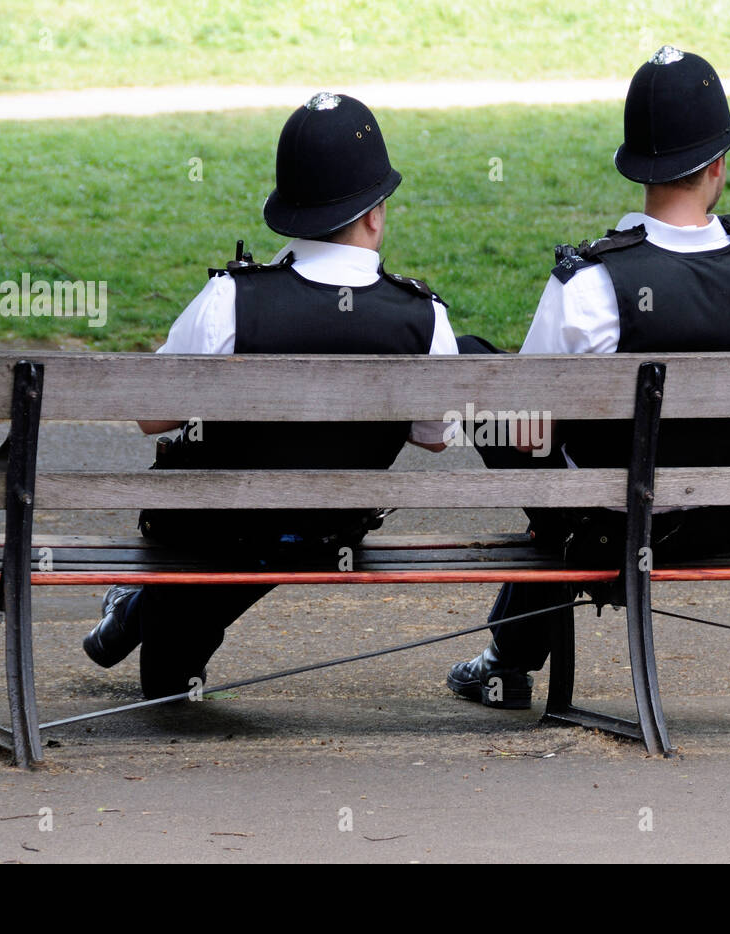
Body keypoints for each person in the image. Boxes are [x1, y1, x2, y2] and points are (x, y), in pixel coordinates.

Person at [447, 46, 730, 710]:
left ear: (637, 166)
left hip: (602, 522)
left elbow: (531, 416)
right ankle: (508, 651)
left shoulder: (591, 283)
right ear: (716, 164)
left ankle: (509, 655)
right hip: (713, 517)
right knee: (566, 470)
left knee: (487, 379)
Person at [83, 92, 458, 699]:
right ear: (374, 215)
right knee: (173, 666)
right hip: (331, 531)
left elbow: (149, 416)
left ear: (288, 211)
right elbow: (437, 439)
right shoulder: (424, 319)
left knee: (170, 675)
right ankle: (136, 614)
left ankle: (136, 613)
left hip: (216, 532)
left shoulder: (233, 300)